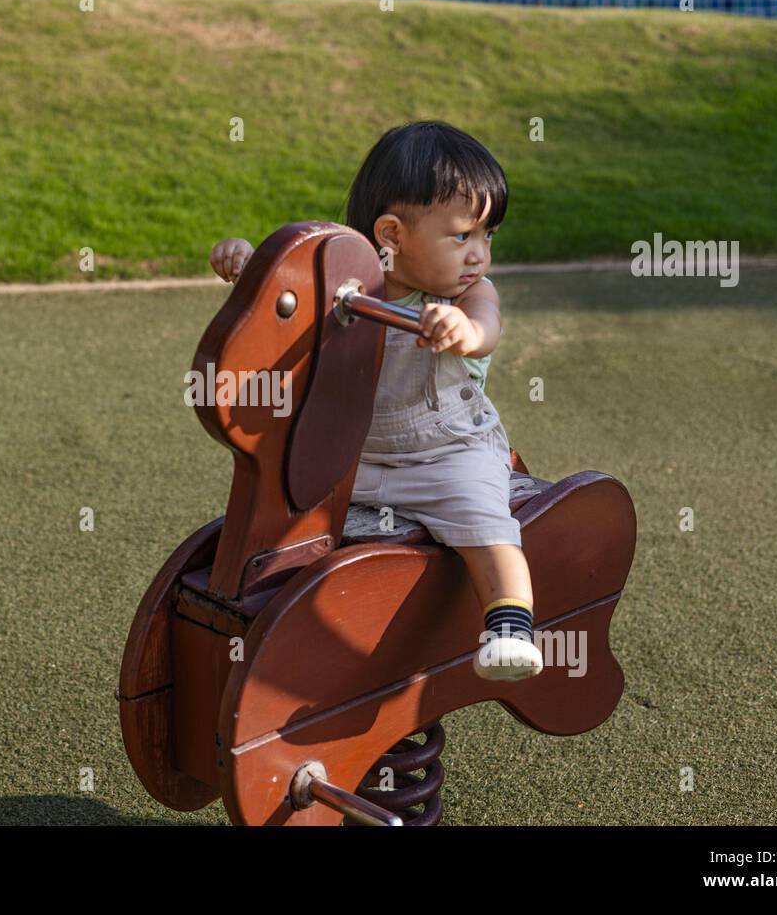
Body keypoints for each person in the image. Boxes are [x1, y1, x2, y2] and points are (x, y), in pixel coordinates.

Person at [208, 120, 543, 681]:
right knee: (290, 501)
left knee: (483, 516)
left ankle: (509, 620)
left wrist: (461, 329)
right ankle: (294, 619)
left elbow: (485, 328)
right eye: (463, 236)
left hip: (448, 454)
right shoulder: (347, 278)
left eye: (489, 236)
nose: (479, 254)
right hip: (358, 460)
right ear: (391, 233)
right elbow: (284, 286)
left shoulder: (468, 294)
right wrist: (247, 262)